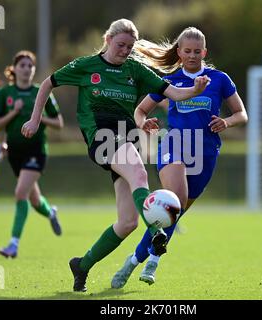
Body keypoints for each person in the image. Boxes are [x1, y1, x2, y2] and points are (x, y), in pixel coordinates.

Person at [21, 19, 210, 292]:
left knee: (128, 222)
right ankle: (157, 231)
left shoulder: (135, 70)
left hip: (127, 137)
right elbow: (47, 84)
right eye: (121, 45)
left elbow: (172, 93)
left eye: (129, 47)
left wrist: (194, 90)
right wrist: (35, 120)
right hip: (101, 137)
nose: (124, 51)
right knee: (140, 173)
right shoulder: (86, 66)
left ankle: (82, 265)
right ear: (107, 40)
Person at [111, 27, 248, 288]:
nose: (193, 55)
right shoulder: (170, 80)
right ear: (179, 52)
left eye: (198, 51)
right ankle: (154, 261)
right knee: (174, 200)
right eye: (187, 51)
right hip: (173, 144)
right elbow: (140, 110)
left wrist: (227, 122)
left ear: (204, 52)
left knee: (173, 214)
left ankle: (132, 261)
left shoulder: (219, 79)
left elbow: (242, 114)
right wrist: (143, 123)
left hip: (206, 153)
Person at [0, 50, 64, 259]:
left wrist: (38, 118)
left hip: (36, 150)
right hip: (15, 152)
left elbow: (59, 123)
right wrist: (13, 113)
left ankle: (13, 244)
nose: (26, 69)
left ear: (33, 70)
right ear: (14, 69)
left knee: (20, 193)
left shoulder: (41, 92)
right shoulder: (5, 94)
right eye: (22, 65)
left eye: (30, 65)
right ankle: (51, 212)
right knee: (33, 200)